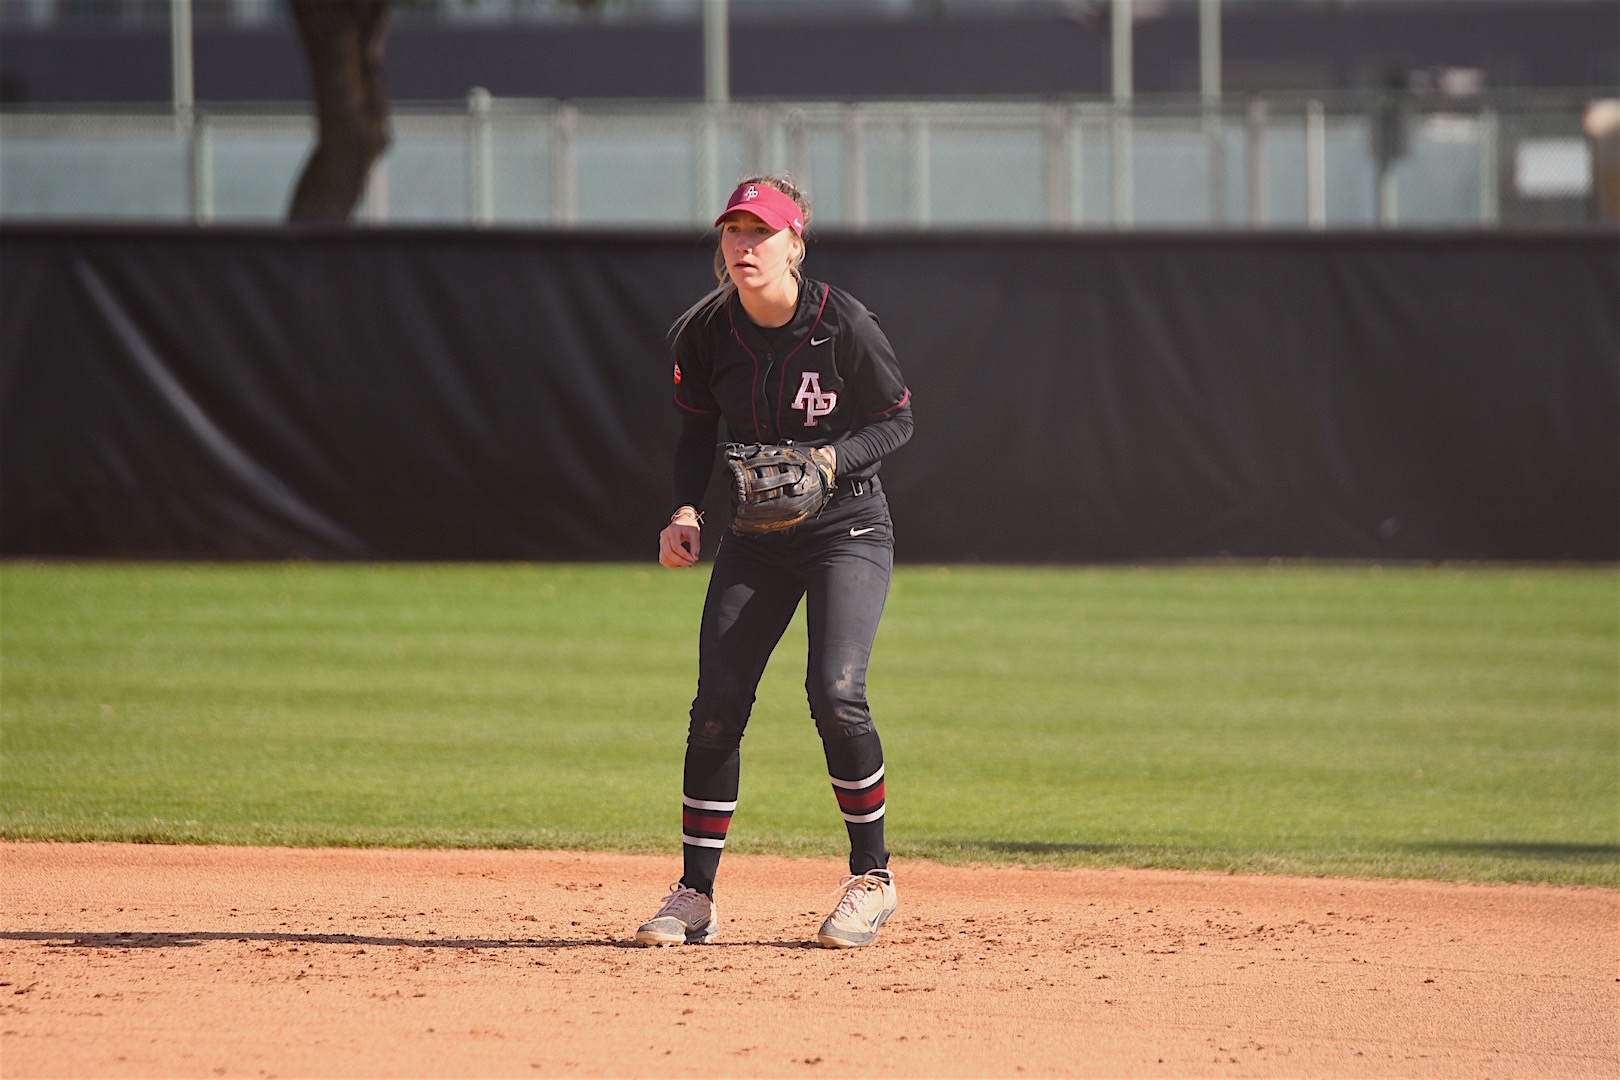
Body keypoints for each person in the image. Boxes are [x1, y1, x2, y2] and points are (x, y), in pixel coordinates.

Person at [634, 175, 914, 949]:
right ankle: (694, 896)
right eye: (733, 232)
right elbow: (695, 435)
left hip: (848, 527)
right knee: (717, 704)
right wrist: (685, 509)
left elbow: (897, 420)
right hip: (757, 535)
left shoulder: (842, 324)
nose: (744, 246)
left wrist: (832, 459)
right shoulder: (707, 332)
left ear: (796, 245)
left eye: (761, 233)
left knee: (836, 691)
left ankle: (872, 880)